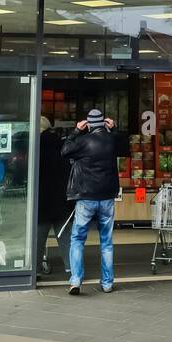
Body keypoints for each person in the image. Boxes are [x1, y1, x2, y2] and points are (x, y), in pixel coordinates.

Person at [60, 108, 127, 294]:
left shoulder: (83, 141)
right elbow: (125, 146)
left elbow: (64, 151)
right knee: (106, 241)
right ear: (104, 123)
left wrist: (75, 131)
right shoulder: (111, 140)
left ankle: (76, 280)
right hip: (107, 197)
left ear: (88, 124)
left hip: (86, 197)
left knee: (77, 238)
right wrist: (114, 129)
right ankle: (107, 283)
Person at [35, 117, 72, 277]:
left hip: (42, 199)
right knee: (66, 237)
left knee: (38, 238)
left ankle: (34, 270)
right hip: (62, 198)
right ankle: (73, 270)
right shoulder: (62, 145)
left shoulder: (36, 147)